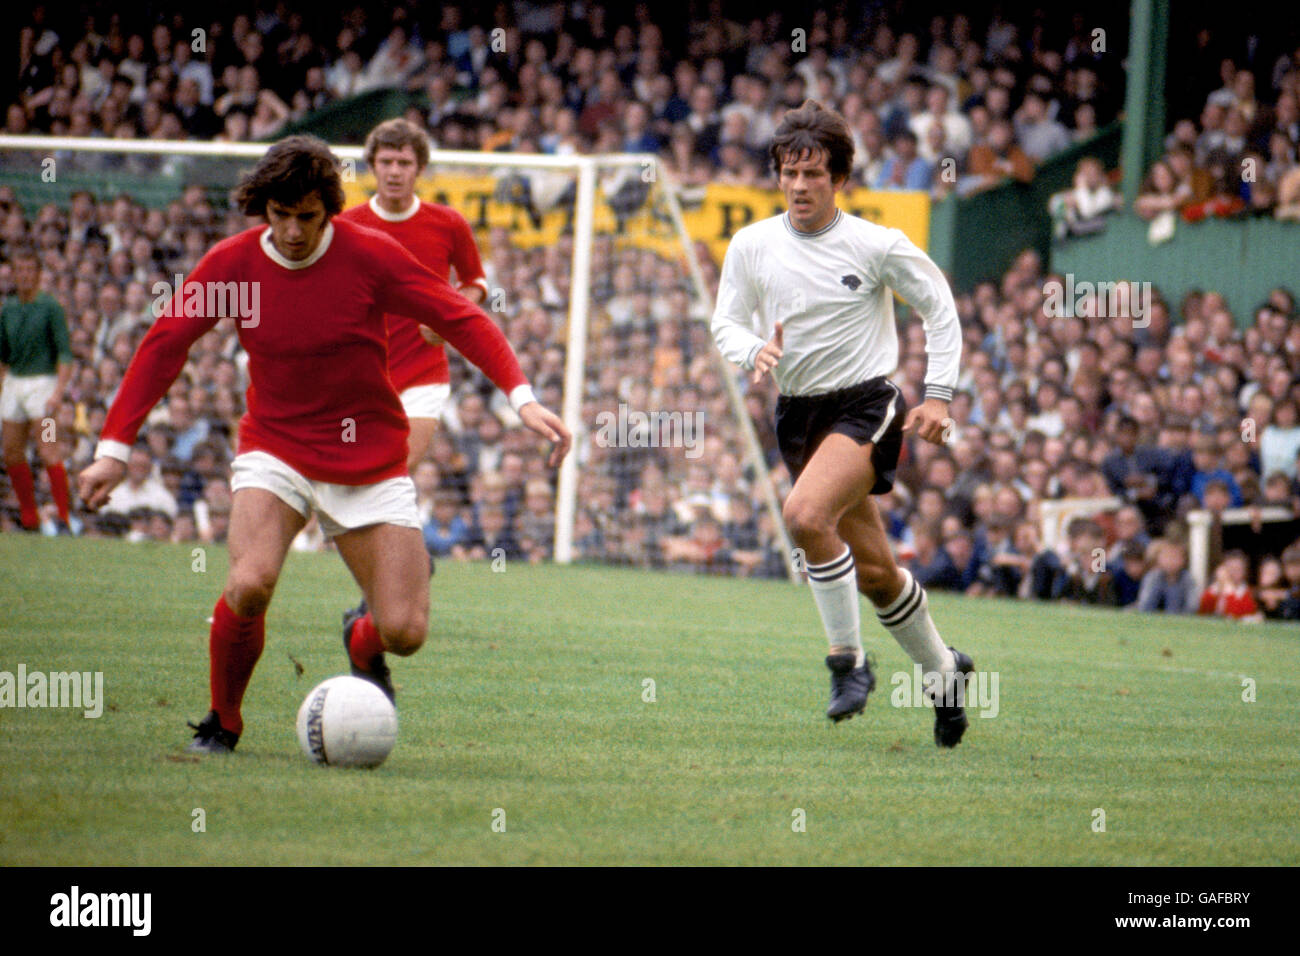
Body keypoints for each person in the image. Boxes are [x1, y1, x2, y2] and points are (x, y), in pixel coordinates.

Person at [77, 136, 571, 754]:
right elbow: (165, 344)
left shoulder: (369, 255)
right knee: (250, 581)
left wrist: (521, 397)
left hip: (367, 457)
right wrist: (114, 449)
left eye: (306, 217)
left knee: (406, 630)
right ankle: (223, 722)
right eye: (279, 215)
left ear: (329, 209)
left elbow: (459, 314)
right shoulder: (233, 266)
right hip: (276, 449)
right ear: (265, 208)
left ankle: (361, 639)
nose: (290, 231)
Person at [711, 100, 974, 748]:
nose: (800, 186)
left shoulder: (875, 244)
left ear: (839, 179)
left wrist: (938, 397)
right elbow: (726, 322)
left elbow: (940, 306)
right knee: (879, 573)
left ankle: (847, 662)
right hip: (798, 417)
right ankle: (945, 675)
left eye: (814, 174)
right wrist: (753, 352)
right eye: (789, 173)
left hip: (867, 405)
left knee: (802, 517)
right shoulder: (751, 244)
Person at [335, 118, 491, 615]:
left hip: (423, 376)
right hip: (362, 380)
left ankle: (373, 597)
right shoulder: (349, 224)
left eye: (405, 163)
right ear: (372, 165)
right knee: (354, 490)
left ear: (419, 168)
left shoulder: (448, 224)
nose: (395, 171)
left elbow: (475, 282)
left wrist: (448, 318)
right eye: (386, 162)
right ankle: (409, 563)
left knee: (394, 476)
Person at [1, 249, 74, 533]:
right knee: (11, 451)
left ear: (39, 274)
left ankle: (64, 518)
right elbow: (3, 355)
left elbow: (65, 354)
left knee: (48, 450)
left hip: (42, 387)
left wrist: (58, 392)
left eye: (30, 270)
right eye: (19, 270)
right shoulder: (8, 308)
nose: (25, 276)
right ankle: (29, 516)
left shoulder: (50, 307)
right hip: (14, 385)